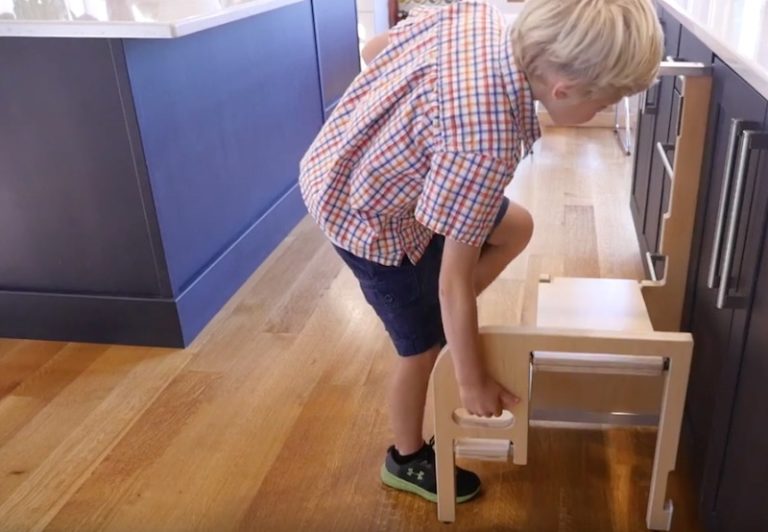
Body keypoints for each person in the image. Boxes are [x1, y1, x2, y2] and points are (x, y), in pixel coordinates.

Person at [299, 0, 663, 504]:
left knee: (517, 227)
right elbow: (453, 281)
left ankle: (441, 316)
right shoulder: (483, 146)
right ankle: (405, 457)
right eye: (606, 102)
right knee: (420, 348)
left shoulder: (479, 20)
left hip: (351, 161)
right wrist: (471, 381)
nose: (602, 112)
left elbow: (375, 48)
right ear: (563, 90)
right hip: (365, 217)